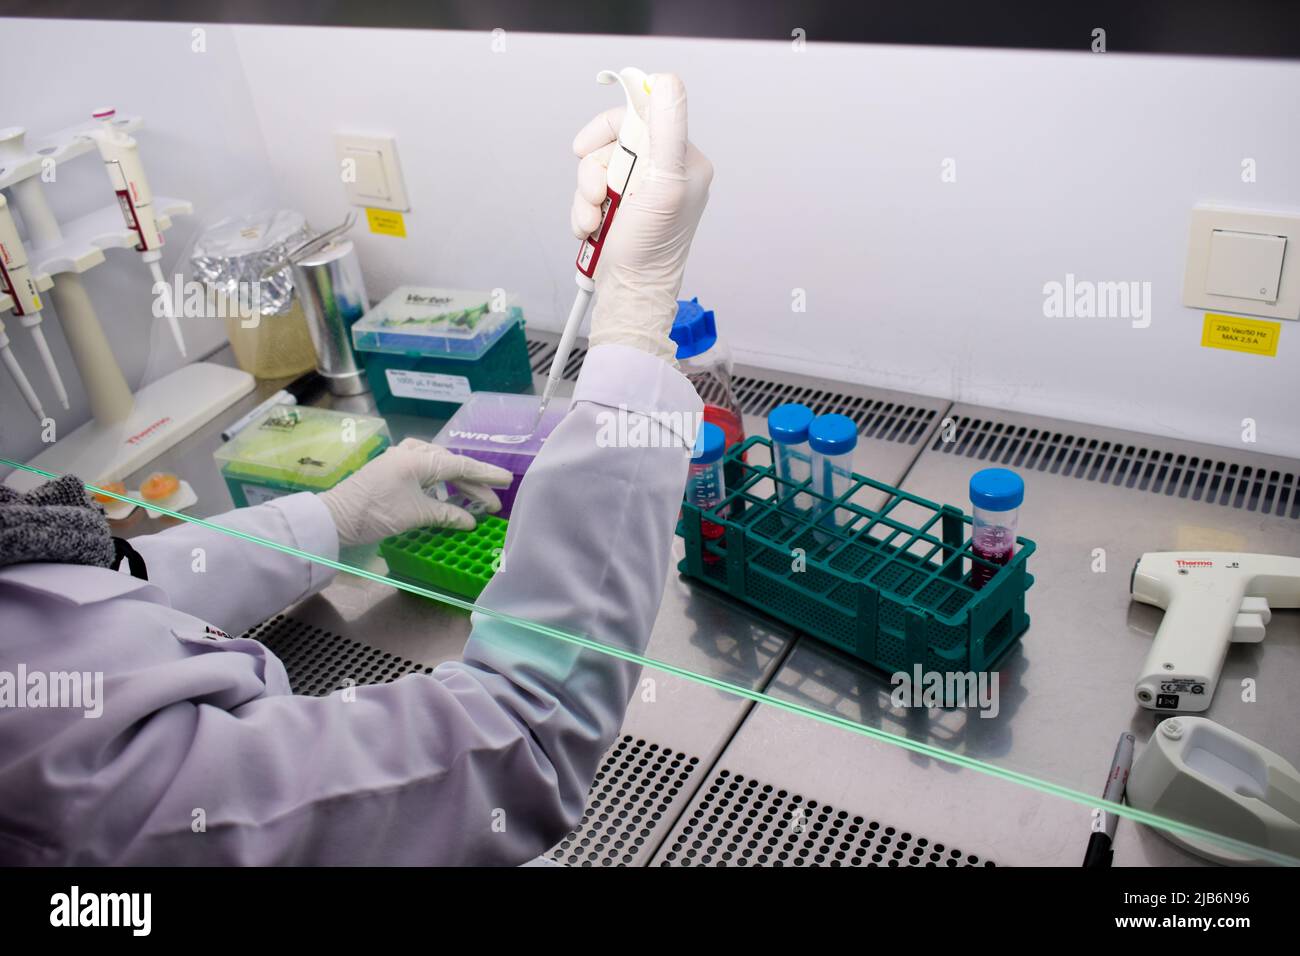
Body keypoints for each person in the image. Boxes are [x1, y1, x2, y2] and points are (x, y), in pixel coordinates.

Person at [0, 74, 712, 865]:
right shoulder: (48, 760)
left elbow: (103, 595)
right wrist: (636, 313)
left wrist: (326, 521)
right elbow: (515, 745)